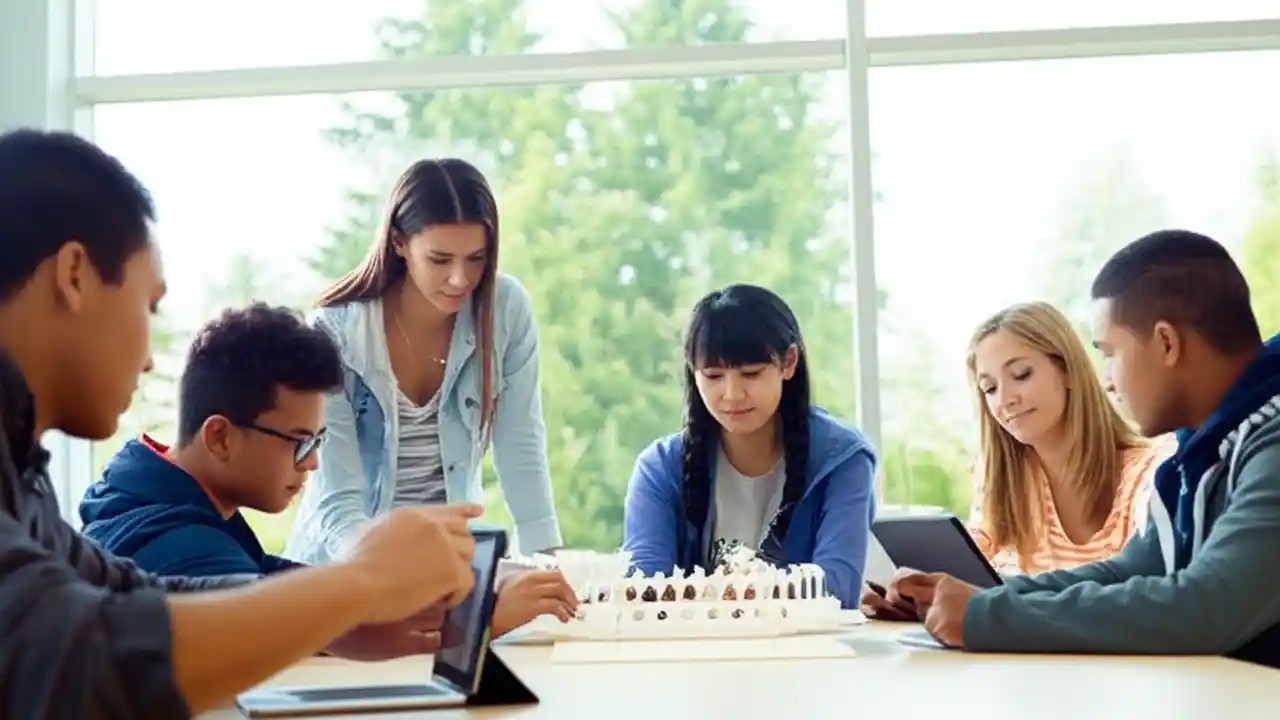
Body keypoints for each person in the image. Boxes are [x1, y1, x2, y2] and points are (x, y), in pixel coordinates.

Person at [0, 128, 480, 717]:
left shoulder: (19, 469)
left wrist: (336, 619)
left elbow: (125, 592)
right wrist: (361, 583)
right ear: (74, 274)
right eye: (148, 306)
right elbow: (86, 664)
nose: (150, 357)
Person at [862, 230, 1280, 668]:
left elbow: (1206, 607)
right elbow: (1129, 571)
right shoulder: (1200, 458)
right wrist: (966, 597)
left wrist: (986, 614)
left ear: (1166, 343)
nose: (1107, 380)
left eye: (1110, 353)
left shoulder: (1270, 444)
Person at [80, 303, 576, 636]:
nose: (313, 463)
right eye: (299, 444)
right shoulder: (176, 543)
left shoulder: (177, 502)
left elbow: (285, 583)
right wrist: (474, 622)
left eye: (317, 441)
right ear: (220, 437)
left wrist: (455, 593)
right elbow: (287, 626)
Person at [285, 158, 563, 565]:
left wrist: (547, 561)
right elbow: (338, 500)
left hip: (446, 567)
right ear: (399, 242)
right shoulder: (335, 331)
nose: (460, 279)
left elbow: (519, 442)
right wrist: (382, 585)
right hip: (343, 570)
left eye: (477, 258)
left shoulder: (505, 309)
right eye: (440, 259)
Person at [622, 284, 878, 608]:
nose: (732, 394)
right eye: (713, 376)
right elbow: (644, 589)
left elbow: (837, 590)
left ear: (789, 362)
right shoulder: (659, 468)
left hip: (804, 654)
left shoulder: (843, 460)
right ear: (693, 372)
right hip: (691, 654)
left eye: (751, 374)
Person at [965, 301, 1173, 574]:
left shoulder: (1152, 471)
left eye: (1021, 375)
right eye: (989, 388)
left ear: (1069, 372)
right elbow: (967, 567)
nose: (1005, 400)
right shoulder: (998, 477)